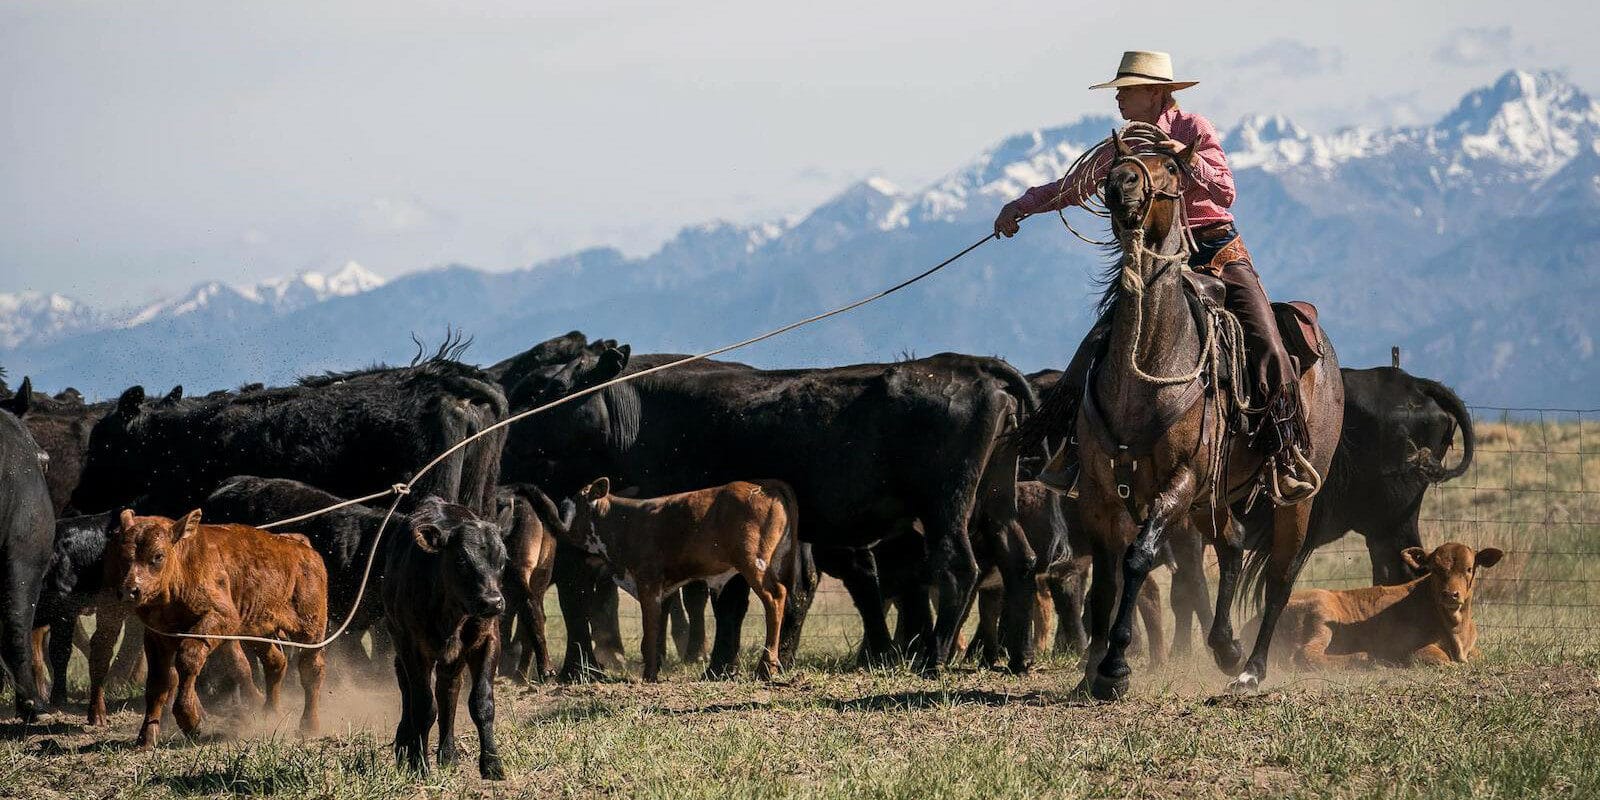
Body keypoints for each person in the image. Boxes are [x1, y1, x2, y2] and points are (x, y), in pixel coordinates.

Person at [993, 50, 1315, 503]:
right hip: (1156, 260)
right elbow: (1074, 185)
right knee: (1099, 345)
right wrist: (1021, 206)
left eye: (1127, 90)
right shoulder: (1122, 146)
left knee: (1268, 342)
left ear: (1156, 92)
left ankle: (1283, 453)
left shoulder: (1193, 129)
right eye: (1120, 91)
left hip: (1215, 248)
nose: (1120, 98)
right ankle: (1072, 452)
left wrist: (1183, 160)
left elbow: (1225, 190)